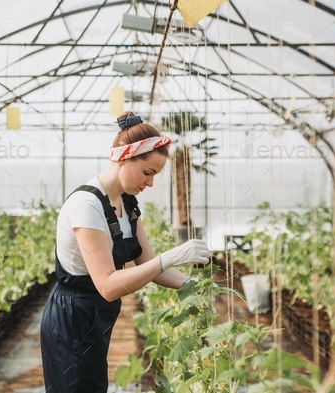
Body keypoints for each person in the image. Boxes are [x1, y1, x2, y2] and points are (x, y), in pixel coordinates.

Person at [40, 111, 210, 392]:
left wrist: (193, 285)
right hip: (72, 321)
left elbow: (147, 264)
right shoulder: (87, 205)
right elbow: (107, 285)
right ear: (124, 158)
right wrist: (170, 257)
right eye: (147, 173)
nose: (151, 183)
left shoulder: (127, 203)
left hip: (96, 319)